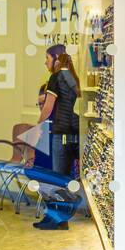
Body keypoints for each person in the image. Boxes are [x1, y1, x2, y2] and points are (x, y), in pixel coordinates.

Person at [34, 44, 80, 230]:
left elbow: (48, 107)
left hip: (59, 133)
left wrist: (38, 125)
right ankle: (57, 218)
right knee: (64, 177)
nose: (45, 62)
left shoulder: (56, 76)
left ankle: (58, 218)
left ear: (55, 58)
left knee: (54, 178)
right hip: (72, 134)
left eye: (47, 58)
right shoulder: (71, 76)